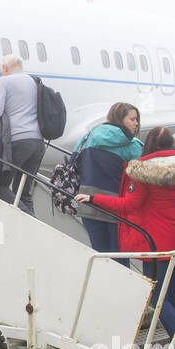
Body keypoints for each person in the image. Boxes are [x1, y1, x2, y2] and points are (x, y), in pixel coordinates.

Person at [76, 128, 175, 349]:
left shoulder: (144, 172)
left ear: (150, 145)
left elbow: (127, 205)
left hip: (158, 248)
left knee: (157, 297)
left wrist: (93, 198)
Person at [73, 102, 144, 257]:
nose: (136, 123)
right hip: (116, 209)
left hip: (89, 204)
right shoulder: (133, 145)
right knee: (121, 261)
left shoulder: (89, 137)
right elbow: (146, 176)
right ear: (120, 119)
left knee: (101, 258)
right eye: (132, 119)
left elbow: (74, 162)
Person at [0, 55, 45, 215]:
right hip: (38, 143)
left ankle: (27, 218)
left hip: (17, 141)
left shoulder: (4, 82)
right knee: (24, 193)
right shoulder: (34, 81)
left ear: (5, 68)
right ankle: (33, 226)